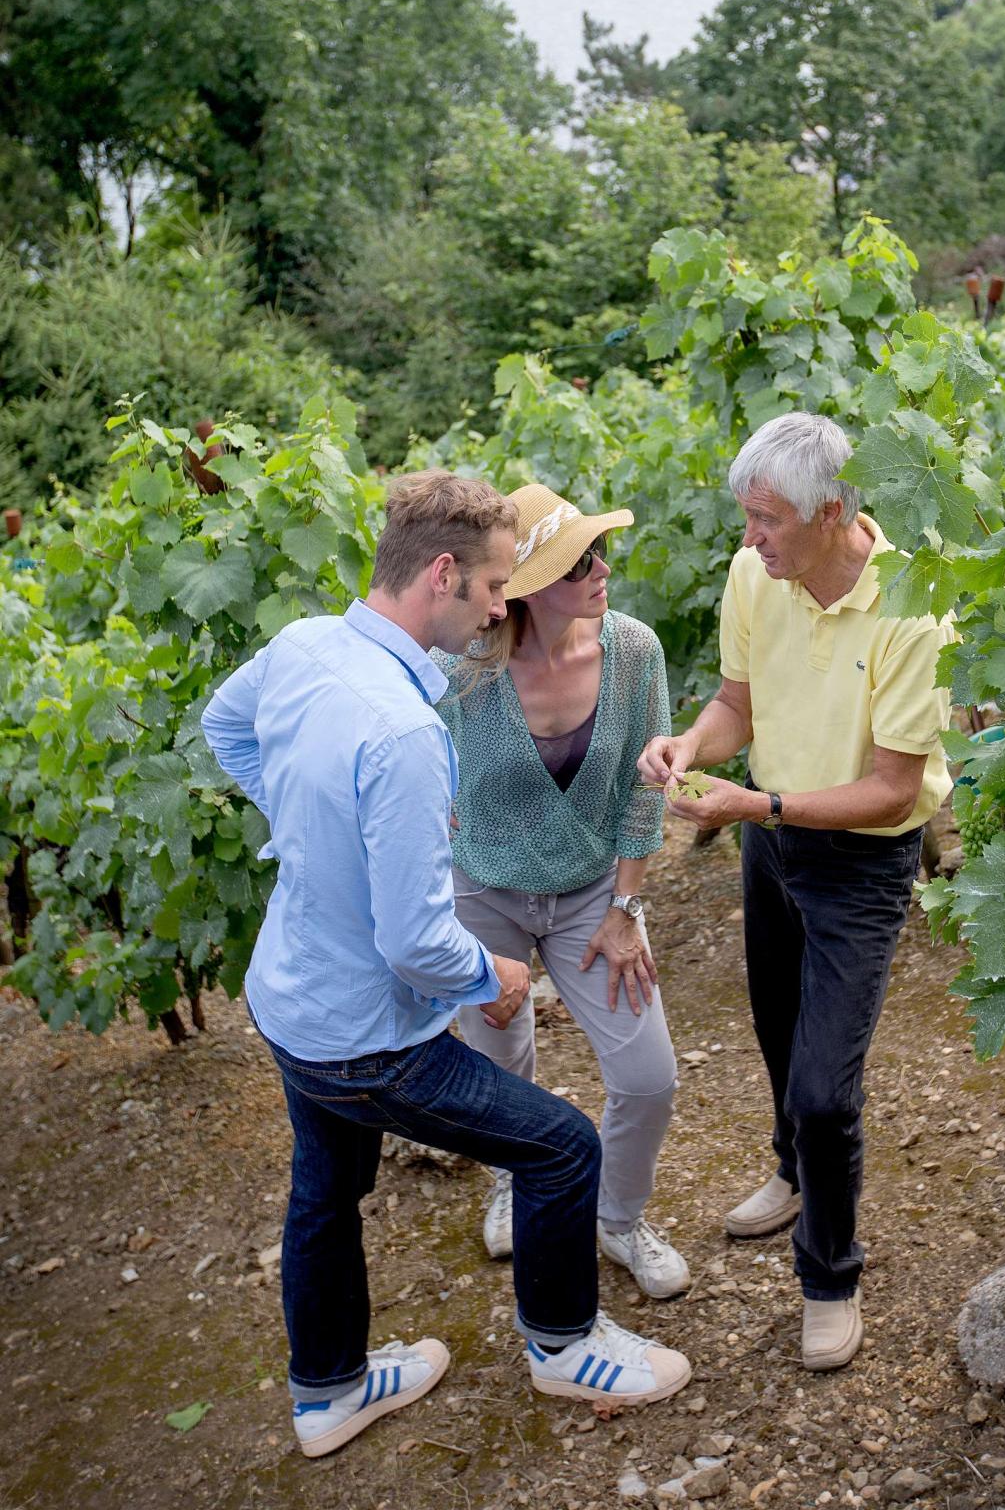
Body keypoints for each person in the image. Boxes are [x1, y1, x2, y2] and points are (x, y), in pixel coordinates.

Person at [201, 470, 691, 1460]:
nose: (502, 606)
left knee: (323, 1193)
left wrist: (312, 829)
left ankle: (329, 1392)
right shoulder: (407, 732)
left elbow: (225, 727)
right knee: (559, 1148)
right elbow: (415, 945)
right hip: (368, 1032)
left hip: (288, 1002)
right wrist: (494, 978)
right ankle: (564, 1345)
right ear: (440, 575)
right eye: (493, 586)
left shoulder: (304, 646)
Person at [638, 413, 954, 1373]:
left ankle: (829, 1276)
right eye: (745, 516)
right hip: (772, 844)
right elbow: (737, 703)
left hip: (860, 861)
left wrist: (760, 802)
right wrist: (693, 748)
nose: (748, 538)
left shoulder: (913, 611)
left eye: (766, 519)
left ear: (833, 512)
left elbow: (895, 788)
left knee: (825, 1089)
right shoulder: (755, 577)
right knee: (778, 1031)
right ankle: (791, 1178)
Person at [438, 483, 690, 1301]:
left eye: (599, 551)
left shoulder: (634, 652)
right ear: (527, 585)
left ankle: (618, 1218)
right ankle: (513, 1180)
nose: (602, 567)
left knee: (649, 1076)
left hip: (591, 898)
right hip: (486, 895)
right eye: (579, 559)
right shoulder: (461, 671)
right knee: (502, 1058)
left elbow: (643, 793)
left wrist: (626, 910)